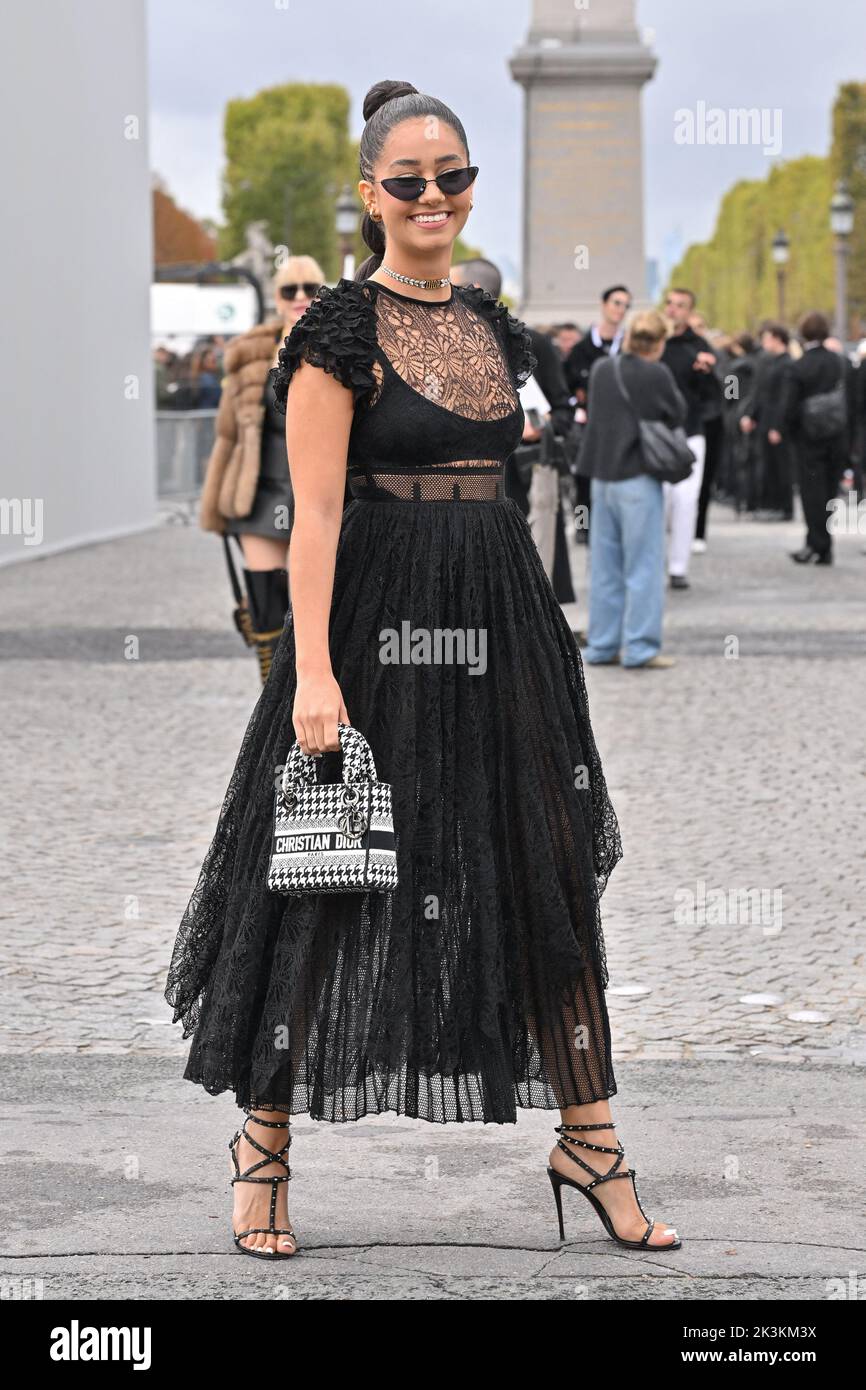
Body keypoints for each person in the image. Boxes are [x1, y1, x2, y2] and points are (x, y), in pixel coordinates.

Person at [164, 78, 680, 1259]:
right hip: (378, 620)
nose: (433, 196)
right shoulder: (335, 332)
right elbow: (317, 518)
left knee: (540, 864)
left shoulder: (497, 329)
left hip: (500, 621)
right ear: (370, 197)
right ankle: (264, 1142)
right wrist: (312, 675)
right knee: (326, 874)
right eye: (409, 182)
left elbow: (518, 485)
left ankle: (588, 1138)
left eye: (451, 176)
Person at [197, 255, 325, 681]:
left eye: (310, 288)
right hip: (263, 488)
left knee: (315, 600)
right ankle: (272, 702)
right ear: (276, 298)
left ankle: (311, 693)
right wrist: (220, 497)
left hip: (319, 491)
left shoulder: (338, 345)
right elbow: (229, 434)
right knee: (266, 602)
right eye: (291, 290)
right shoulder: (250, 354)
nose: (301, 297)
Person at [577, 310, 686, 668]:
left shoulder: (601, 370)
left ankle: (603, 644)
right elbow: (676, 413)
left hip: (601, 476)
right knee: (643, 566)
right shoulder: (656, 373)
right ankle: (639, 647)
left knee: (606, 566)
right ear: (657, 343)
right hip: (638, 475)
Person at [563, 286, 633, 543]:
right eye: (616, 302)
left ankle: (615, 525)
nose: (620, 309)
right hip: (588, 425)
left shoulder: (628, 349)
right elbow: (566, 387)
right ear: (603, 304)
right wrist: (577, 405)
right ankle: (584, 526)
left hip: (620, 425)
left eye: (626, 305)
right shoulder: (581, 350)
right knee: (583, 478)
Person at [661, 288, 718, 588]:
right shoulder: (651, 340)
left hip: (690, 430)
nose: (673, 310)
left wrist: (707, 373)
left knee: (685, 500)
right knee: (659, 501)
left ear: (689, 311)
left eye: (680, 306)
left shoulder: (700, 347)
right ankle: (653, 559)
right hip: (655, 432)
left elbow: (716, 395)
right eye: (670, 304)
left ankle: (678, 566)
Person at [783, 312, 849, 564]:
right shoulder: (840, 362)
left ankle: (815, 543)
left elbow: (789, 403)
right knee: (830, 492)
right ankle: (825, 544)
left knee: (812, 492)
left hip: (808, 436)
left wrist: (786, 429)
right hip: (837, 433)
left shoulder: (799, 365)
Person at [740, 323, 794, 520]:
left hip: (773, 422)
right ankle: (769, 504)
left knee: (778, 466)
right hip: (764, 419)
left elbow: (781, 398)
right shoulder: (765, 362)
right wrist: (751, 414)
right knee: (767, 465)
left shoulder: (782, 363)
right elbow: (759, 393)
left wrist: (776, 425)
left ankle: (781, 507)